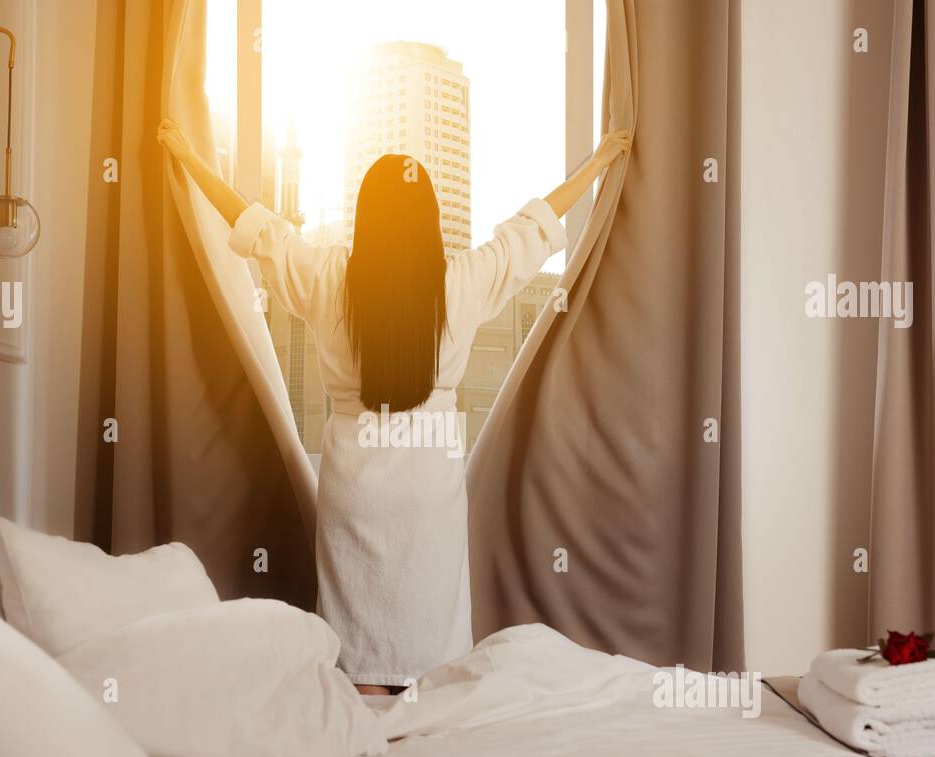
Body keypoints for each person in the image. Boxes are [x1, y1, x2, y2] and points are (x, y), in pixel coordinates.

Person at [158, 118, 631, 694]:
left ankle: (360, 709)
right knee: (430, 647)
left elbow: (256, 226)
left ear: (367, 219)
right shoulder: (461, 282)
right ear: (427, 221)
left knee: (358, 649)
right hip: (428, 485)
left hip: (355, 483)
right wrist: (600, 160)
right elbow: (531, 228)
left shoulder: (330, 278)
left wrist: (187, 155)